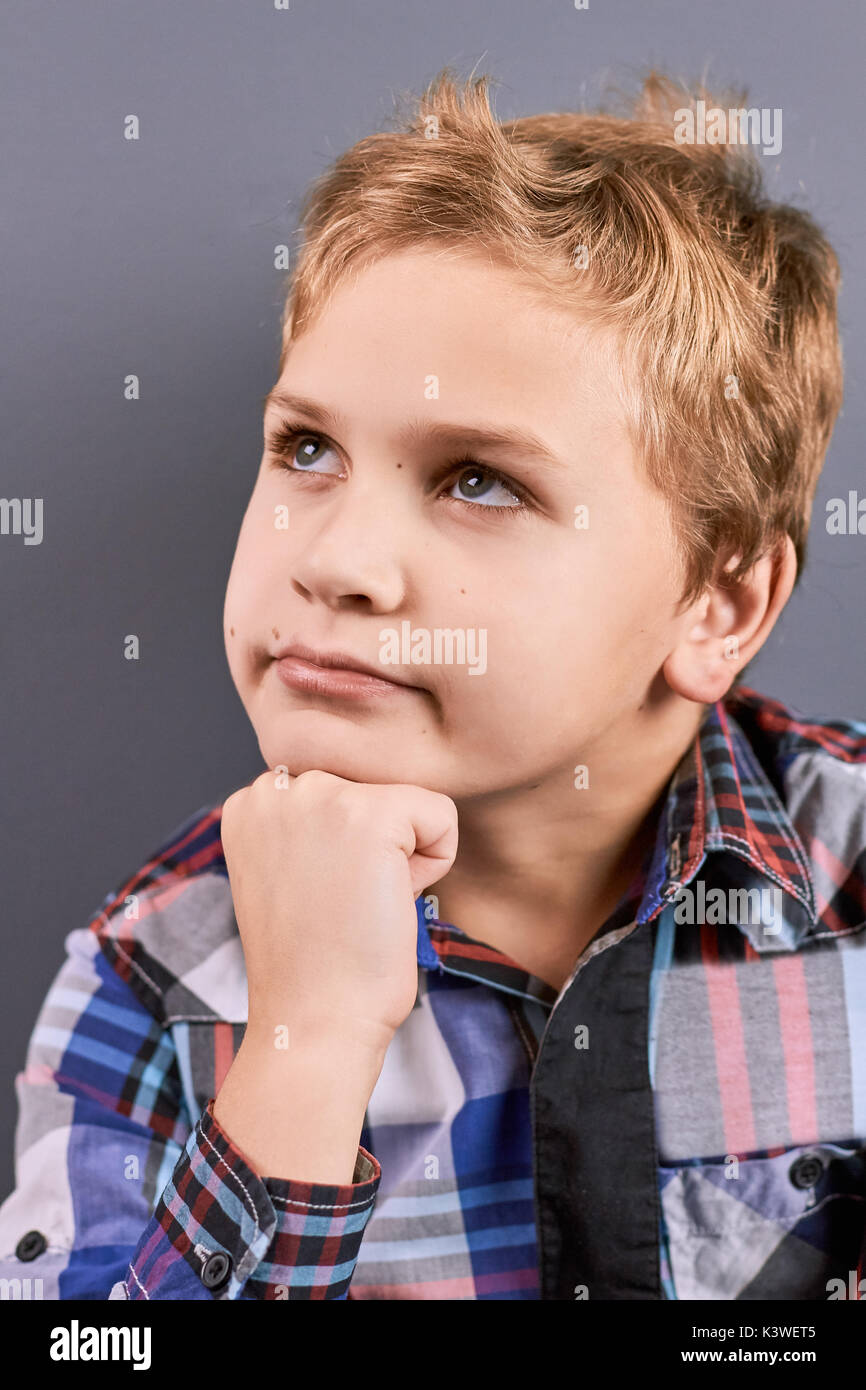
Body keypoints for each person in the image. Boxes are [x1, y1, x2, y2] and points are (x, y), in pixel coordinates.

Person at [2, 66, 864, 1301]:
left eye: (476, 480)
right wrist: (300, 1050)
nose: (337, 560)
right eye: (308, 449)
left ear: (714, 604)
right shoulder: (158, 973)